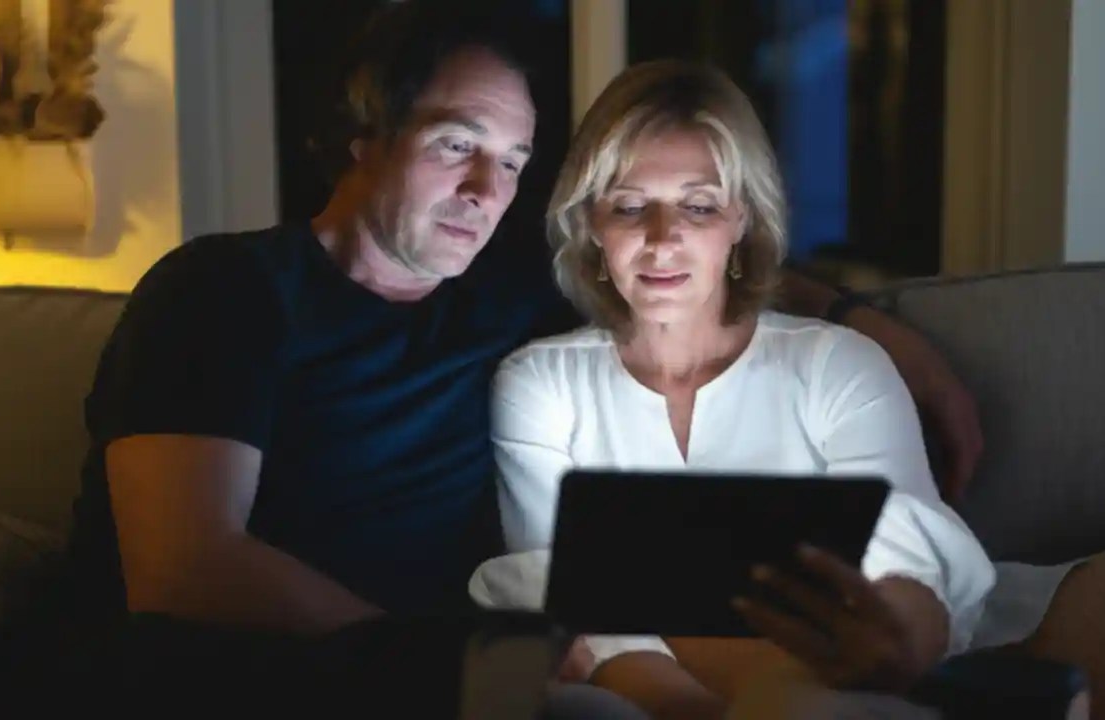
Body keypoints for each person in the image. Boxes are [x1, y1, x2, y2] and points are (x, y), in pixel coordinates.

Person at [61, 2, 986, 716]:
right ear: (363, 133)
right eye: (457, 144)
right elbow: (181, 567)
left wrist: (873, 321)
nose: (484, 189)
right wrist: (450, 657)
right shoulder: (226, 289)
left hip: (456, 673)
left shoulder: (505, 299)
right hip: (222, 670)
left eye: (513, 161)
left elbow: (679, 254)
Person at [469, 60, 996, 719]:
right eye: (630, 207)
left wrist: (887, 647)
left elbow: (905, 564)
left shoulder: (840, 366)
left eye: (698, 205)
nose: (664, 240)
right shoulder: (540, 386)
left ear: (741, 218)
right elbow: (566, 601)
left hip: (847, 671)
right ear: (591, 224)